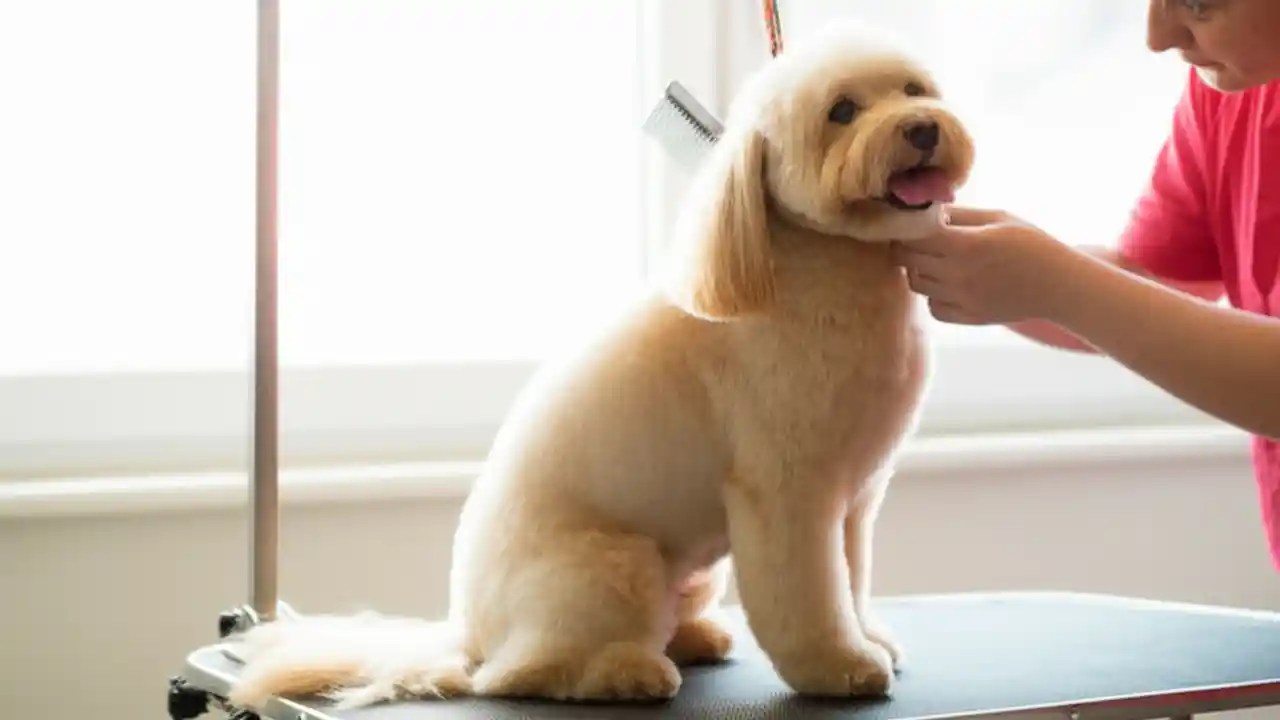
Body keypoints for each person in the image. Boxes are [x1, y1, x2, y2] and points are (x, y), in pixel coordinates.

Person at [892, 0, 1280, 567]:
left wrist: (1057, 284)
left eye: (1198, 3)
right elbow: (1151, 289)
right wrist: (936, 246)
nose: (1157, 36)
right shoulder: (1229, 92)